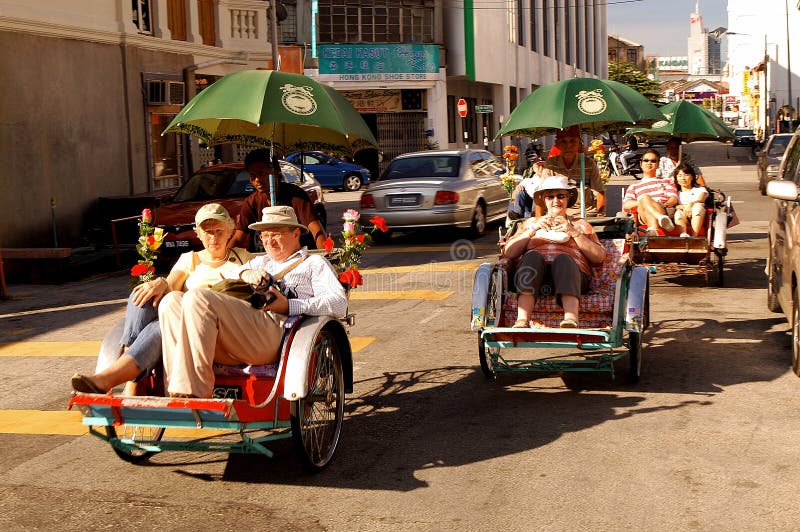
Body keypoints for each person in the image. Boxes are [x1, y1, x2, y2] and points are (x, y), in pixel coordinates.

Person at [159, 205, 348, 398]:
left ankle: (195, 393)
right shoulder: (260, 262)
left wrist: (290, 305)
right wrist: (246, 272)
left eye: (276, 234)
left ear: (296, 233)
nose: (269, 242)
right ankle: (177, 392)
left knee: (196, 297)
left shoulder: (313, 264)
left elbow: (340, 303)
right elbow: (229, 274)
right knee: (171, 301)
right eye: (264, 236)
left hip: (275, 335)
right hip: (241, 333)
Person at [70, 204, 253, 394]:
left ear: (230, 230)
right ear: (197, 233)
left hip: (218, 329)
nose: (213, 237)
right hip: (180, 324)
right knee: (145, 294)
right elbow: (172, 284)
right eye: (207, 232)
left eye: (218, 231)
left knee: (161, 326)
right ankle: (127, 365)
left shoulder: (244, 259)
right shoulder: (190, 259)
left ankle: (128, 378)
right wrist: (159, 283)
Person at [502, 175, 606, 329]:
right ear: (543, 200)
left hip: (572, 276)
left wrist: (573, 232)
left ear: (567, 199)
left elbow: (599, 257)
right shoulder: (530, 223)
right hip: (534, 274)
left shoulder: (580, 224)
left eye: (561, 196)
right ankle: (522, 320)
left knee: (563, 259)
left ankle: (570, 319)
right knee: (533, 256)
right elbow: (509, 253)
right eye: (550, 197)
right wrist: (533, 230)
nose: (556, 201)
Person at [231, 149, 327, 251]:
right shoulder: (251, 202)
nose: (257, 180)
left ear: (276, 172)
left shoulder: (296, 196)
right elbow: (239, 237)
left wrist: (326, 255)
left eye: (262, 174)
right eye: (253, 176)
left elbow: (316, 229)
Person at [539, 125, 606, 217]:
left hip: (587, 214)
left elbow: (599, 192)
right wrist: (538, 219)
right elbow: (542, 194)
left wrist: (601, 214)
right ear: (557, 144)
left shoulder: (588, 164)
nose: (568, 146)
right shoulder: (551, 165)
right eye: (563, 142)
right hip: (559, 214)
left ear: (579, 143)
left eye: (572, 141)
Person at [623, 149, 679, 235]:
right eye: (646, 160)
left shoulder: (667, 181)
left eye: (653, 161)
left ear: (658, 165)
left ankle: (653, 230)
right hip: (644, 213)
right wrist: (645, 202)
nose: (649, 163)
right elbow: (626, 204)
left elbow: (673, 199)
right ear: (641, 164)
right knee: (645, 198)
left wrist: (661, 204)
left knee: (646, 200)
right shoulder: (634, 186)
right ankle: (660, 218)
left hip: (663, 209)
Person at [673, 163, 708, 237]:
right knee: (678, 213)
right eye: (680, 176)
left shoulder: (700, 189)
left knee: (697, 207)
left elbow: (701, 199)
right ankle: (683, 235)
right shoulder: (676, 193)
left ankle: (694, 237)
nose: (683, 178)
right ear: (676, 178)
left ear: (692, 177)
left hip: (699, 215)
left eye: (686, 175)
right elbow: (674, 206)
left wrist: (691, 205)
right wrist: (684, 207)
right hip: (684, 216)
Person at [509, 153, 545, 220]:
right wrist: (517, 189)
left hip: (542, 202)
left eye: (542, 166)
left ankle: (535, 212)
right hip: (528, 202)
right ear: (534, 168)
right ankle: (518, 213)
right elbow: (514, 195)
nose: (541, 168)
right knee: (520, 191)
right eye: (538, 166)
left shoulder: (549, 179)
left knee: (538, 191)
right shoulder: (527, 180)